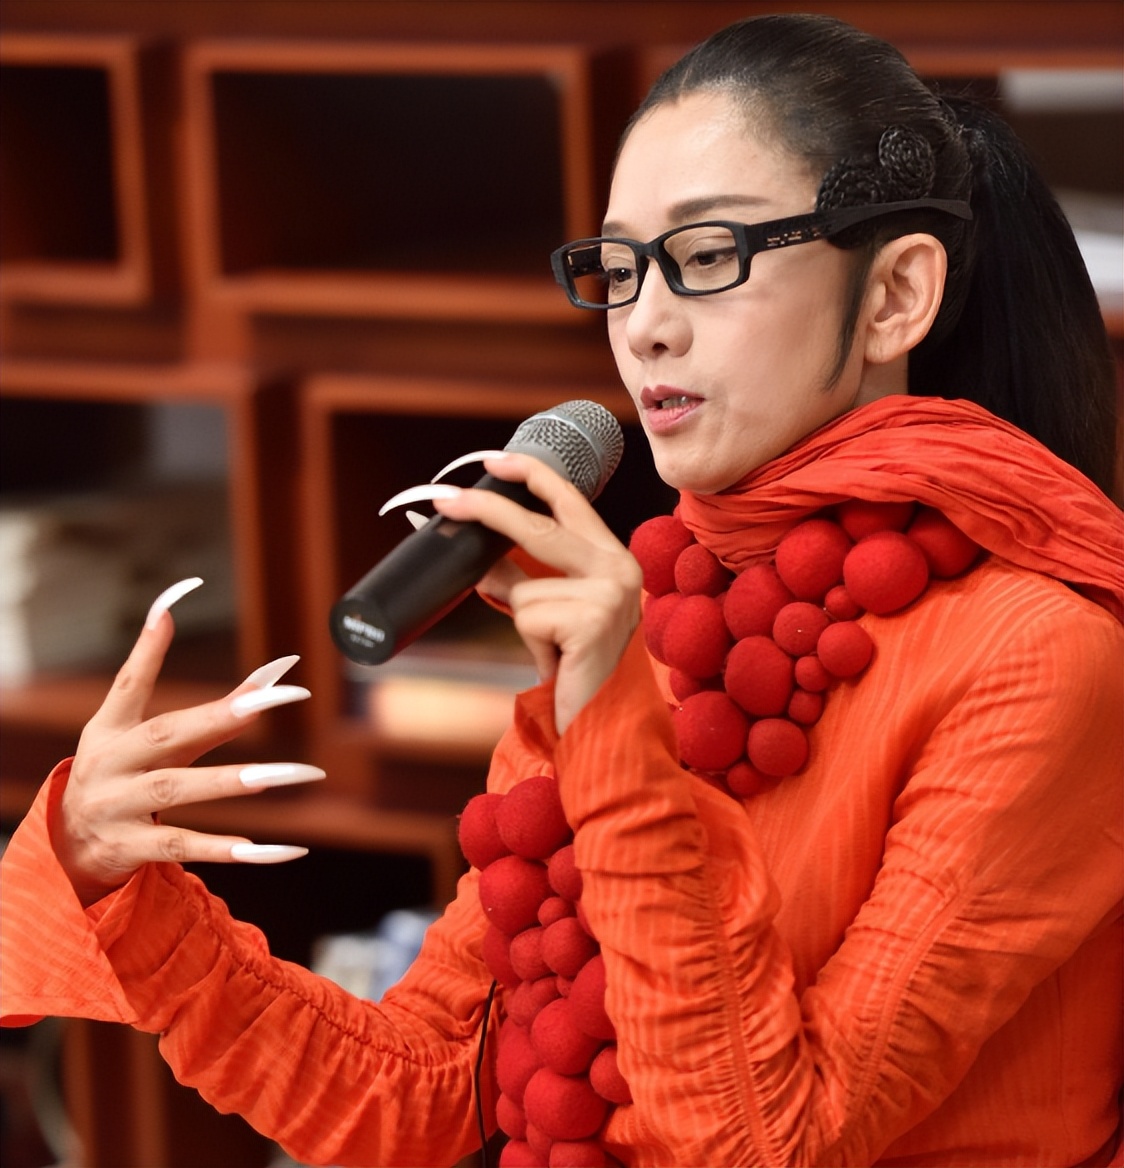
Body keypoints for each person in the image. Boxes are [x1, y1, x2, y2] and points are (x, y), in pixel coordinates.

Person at [2, 12, 1122, 1167]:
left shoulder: (1038, 656)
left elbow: (764, 1143)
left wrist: (614, 729)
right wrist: (121, 886)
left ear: (893, 295)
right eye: (620, 268)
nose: (641, 326)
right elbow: (418, 1097)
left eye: (703, 258)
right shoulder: (660, 606)